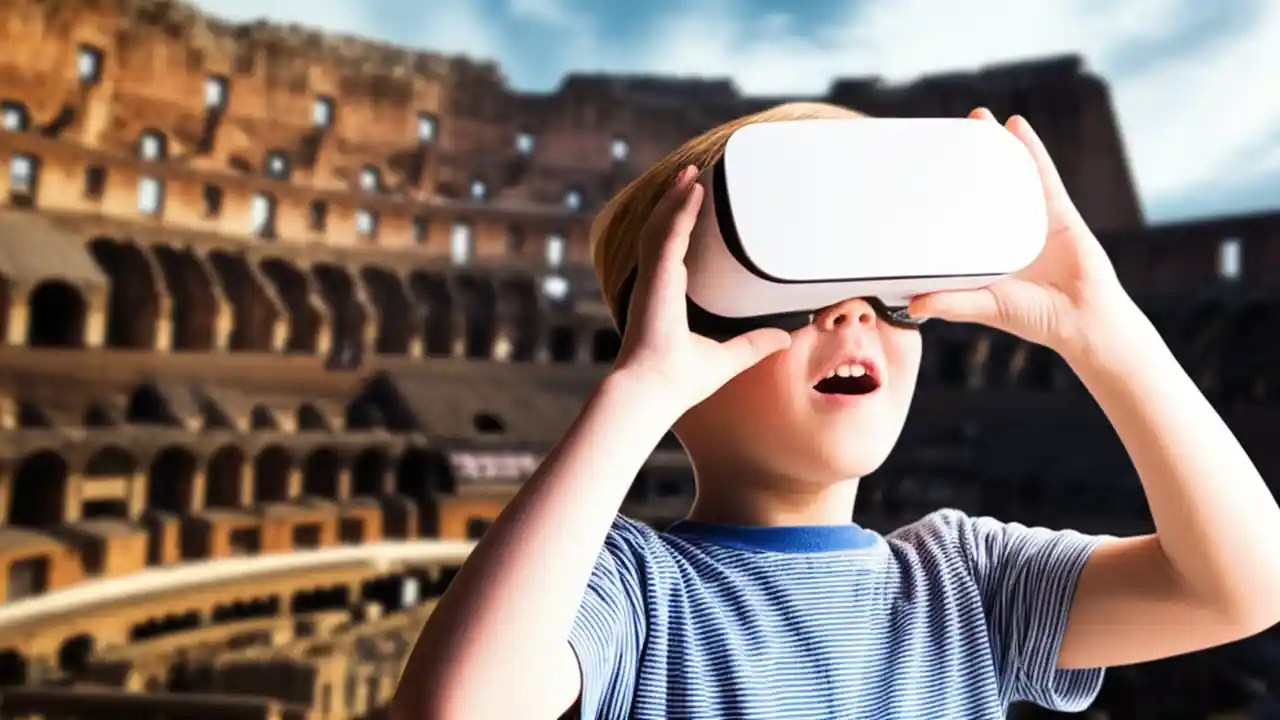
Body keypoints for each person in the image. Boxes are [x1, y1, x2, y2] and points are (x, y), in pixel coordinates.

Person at [390, 103, 1280, 719]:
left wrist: (1108, 330)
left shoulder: (968, 586)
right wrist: (637, 394)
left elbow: (1242, 586)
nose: (851, 312)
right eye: (790, 287)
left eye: (888, 293)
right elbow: (458, 709)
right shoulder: (626, 589)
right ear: (673, 331)